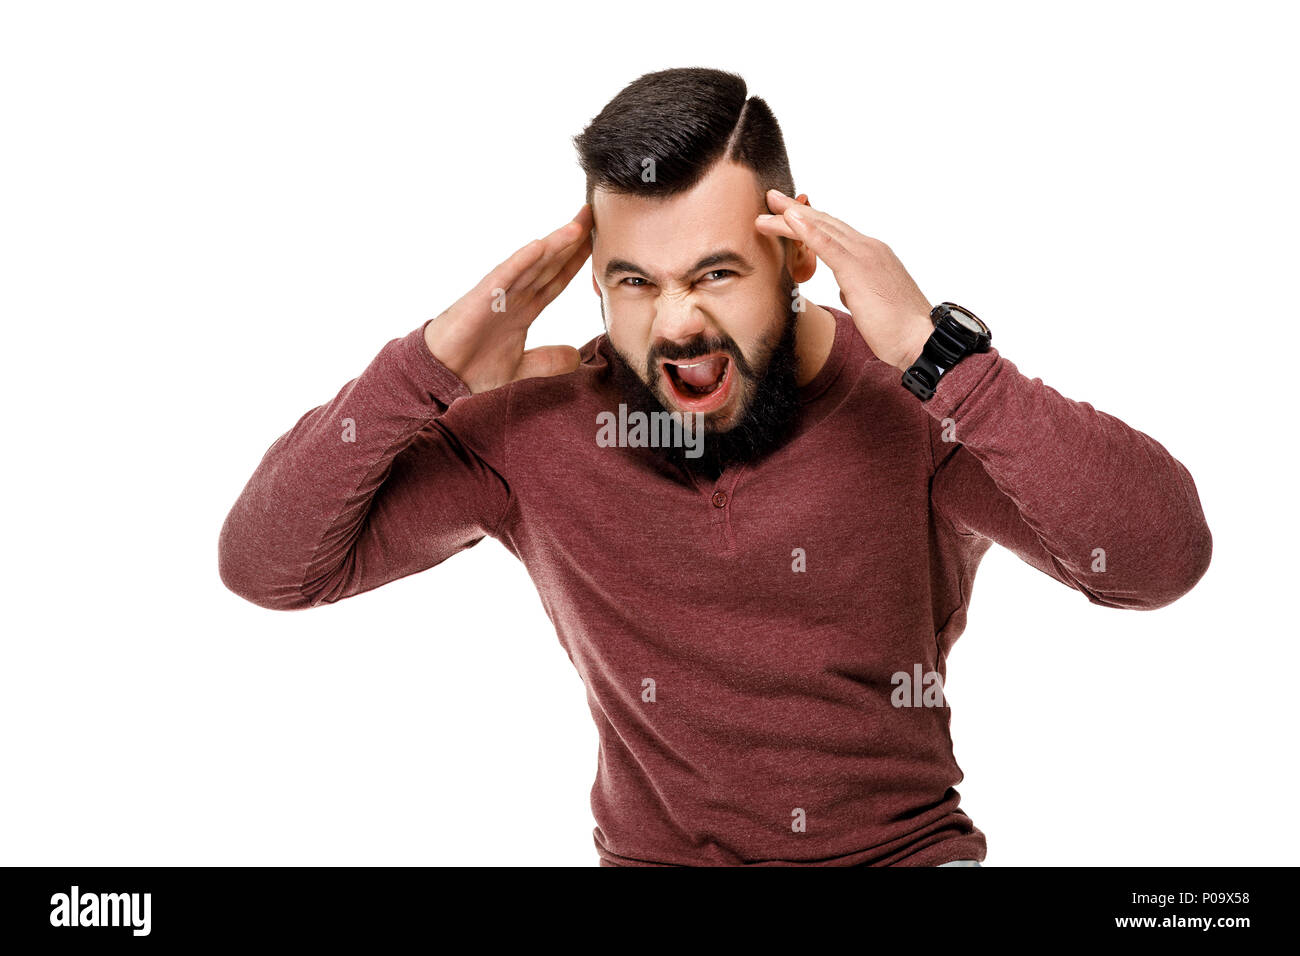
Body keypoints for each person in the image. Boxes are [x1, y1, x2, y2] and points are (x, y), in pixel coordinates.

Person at [218, 67, 1213, 866]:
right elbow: (273, 568)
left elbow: (1153, 559)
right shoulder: (537, 421)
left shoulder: (908, 402)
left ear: (796, 253)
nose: (677, 322)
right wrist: (425, 367)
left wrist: (942, 357)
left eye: (716, 273)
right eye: (634, 282)